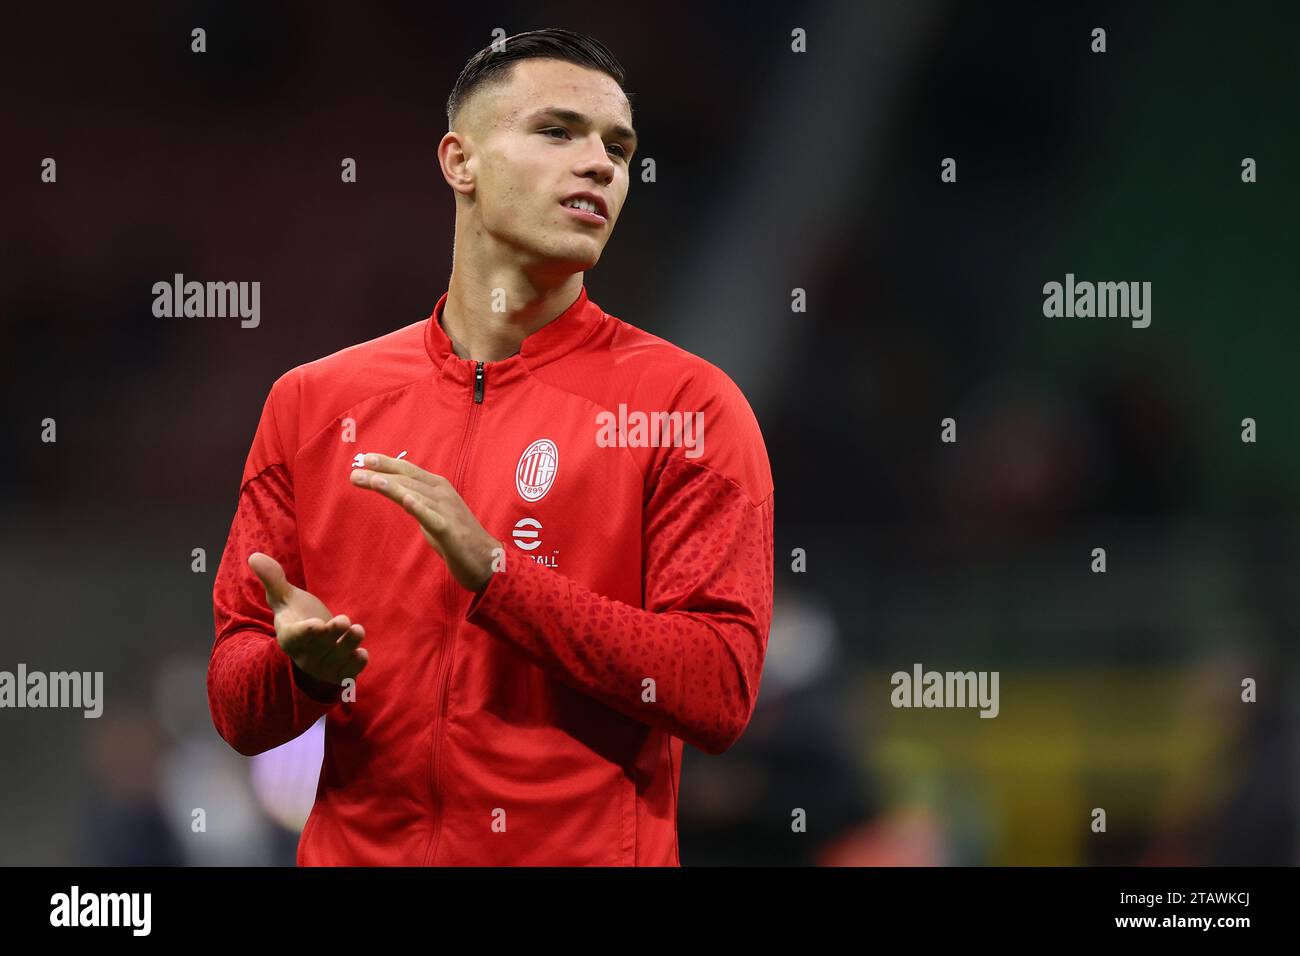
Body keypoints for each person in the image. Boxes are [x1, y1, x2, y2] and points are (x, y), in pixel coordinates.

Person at [207, 27, 775, 866]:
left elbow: (720, 689)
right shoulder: (315, 404)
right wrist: (303, 675)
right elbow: (236, 706)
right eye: (558, 132)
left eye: (618, 147)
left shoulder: (687, 406)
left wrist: (502, 579)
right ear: (459, 161)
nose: (600, 166)